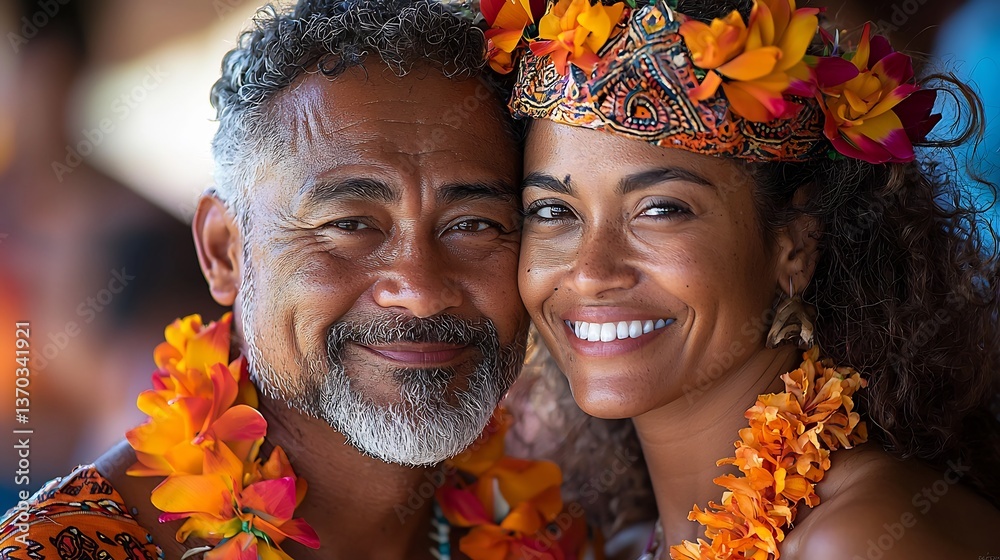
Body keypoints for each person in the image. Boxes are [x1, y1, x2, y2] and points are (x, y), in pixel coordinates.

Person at [0, 1, 600, 559]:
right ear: (224, 253)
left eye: (472, 224)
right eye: (350, 224)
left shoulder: (571, 535)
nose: (419, 290)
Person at [488, 0, 1000, 557]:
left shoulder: (857, 539)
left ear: (794, 246)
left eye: (660, 210)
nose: (591, 273)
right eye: (552, 211)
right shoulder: (624, 539)